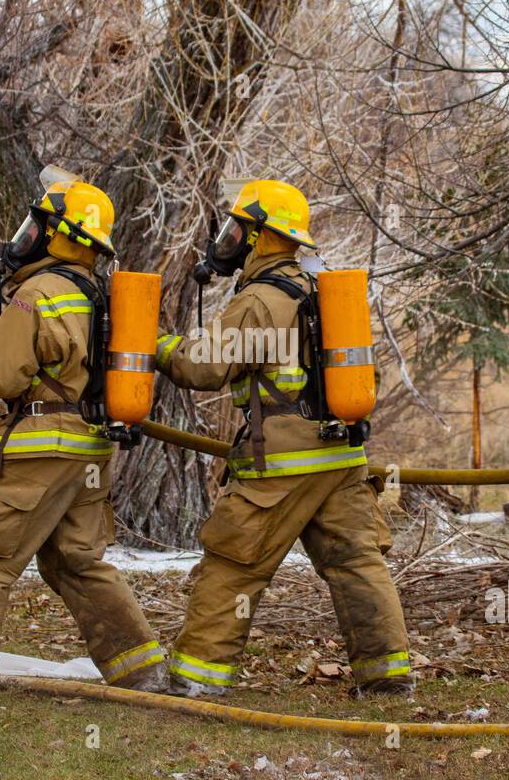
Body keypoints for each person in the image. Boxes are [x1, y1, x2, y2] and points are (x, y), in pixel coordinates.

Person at [0, 173, 168, 698]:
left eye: (38, 226)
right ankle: (143, 671)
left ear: (62, 235)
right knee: (77, 560)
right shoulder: (99, 294)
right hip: (88, 450)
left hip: (39, 448)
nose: (27, 236)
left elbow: (2, 376)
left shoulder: (38, 292)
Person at [154, 178, 413, 698]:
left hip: (281, 465)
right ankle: (387, 675)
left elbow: (205, 368)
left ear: (259, 237)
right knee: (356, 561)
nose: (228, 239)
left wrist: (158, 346)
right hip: (340, 456)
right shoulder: (322, 290)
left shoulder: (260, 299)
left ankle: (195, 677)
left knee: (233, 563)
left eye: (238, 229)